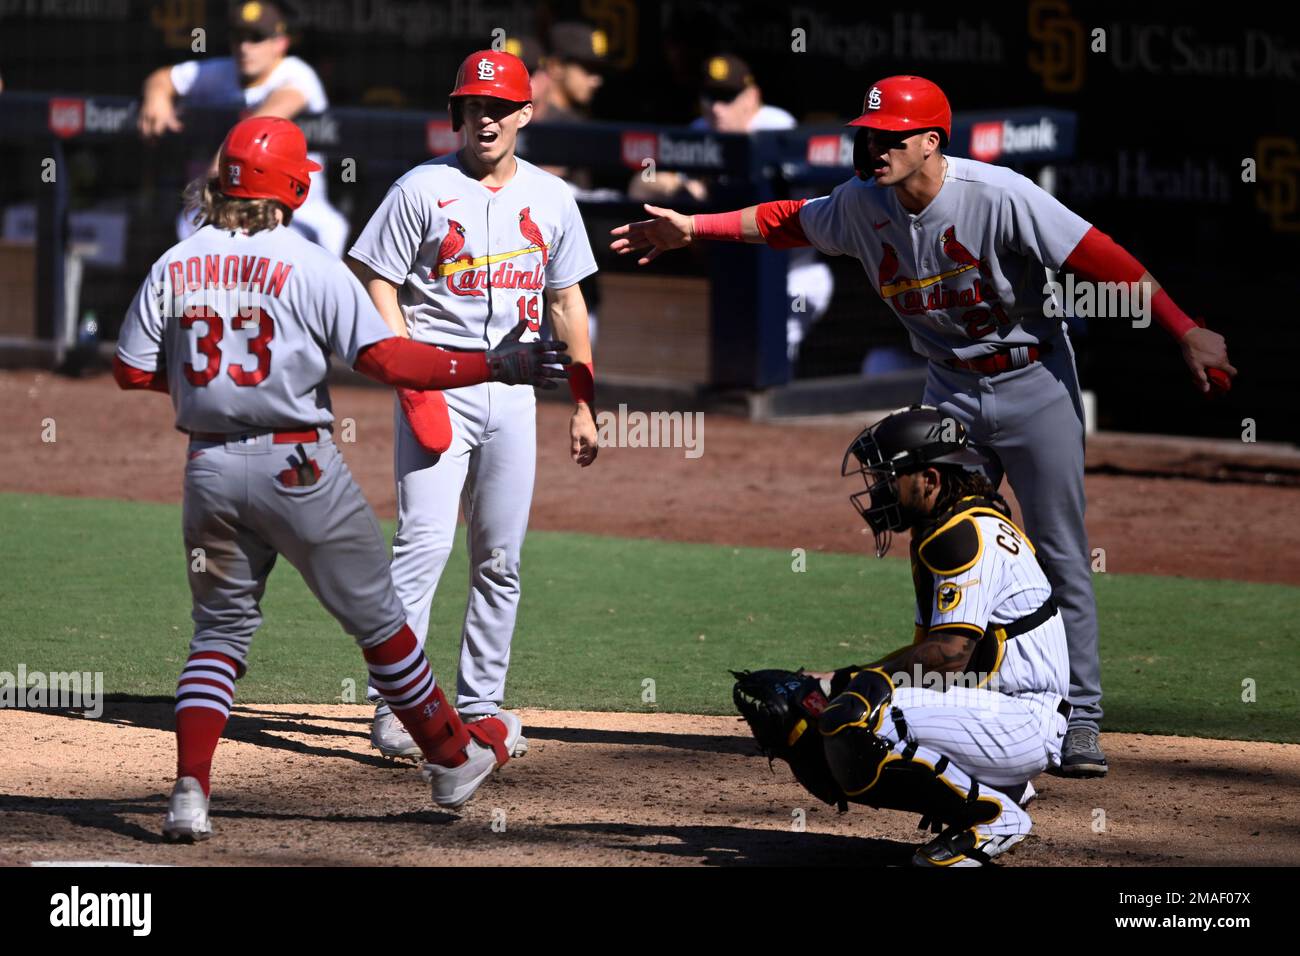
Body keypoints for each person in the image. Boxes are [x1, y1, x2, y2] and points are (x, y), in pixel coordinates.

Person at [611, 75, 1238, 777]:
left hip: (1034, 383)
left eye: (890, 137)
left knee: (1060, 551)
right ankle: (946, 703)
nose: (873, 147)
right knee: (934, 534)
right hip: (951, 386)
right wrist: (694, 228)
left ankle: (1079, 716)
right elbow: (790, 218)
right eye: (868, 135)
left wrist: (1183, 328)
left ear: (932, 143)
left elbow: (1097, 254)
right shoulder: (860, 205)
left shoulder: (998, 195)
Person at [112, 116, 569, 840]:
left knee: (219, 635)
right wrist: (495, 365)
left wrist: (215, 390)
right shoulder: (309, 262)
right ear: (294, 186)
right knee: (381, 621)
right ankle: (451, 759)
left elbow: (132, 369)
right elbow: (391, 361)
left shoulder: (175, 260)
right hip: (298, 466)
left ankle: (190, 794)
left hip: (208, 468)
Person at [347, 50, 599, 759]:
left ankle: (481, 703)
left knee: (500, 557)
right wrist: (407, 369)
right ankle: (400, 706)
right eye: (472, 107)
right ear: (457, 114)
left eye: (498, 107)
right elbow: (374, 277)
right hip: (439, 387)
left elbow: (567, 300)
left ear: (525, 113)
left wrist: (583, 403)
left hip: (515, 396)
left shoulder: (552, 198)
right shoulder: (421, 189)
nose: (484, 118)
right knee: (423, 545)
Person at [804, 404, 1071, 866]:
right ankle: (993, 788)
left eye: (889, 477)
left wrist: (858, 681)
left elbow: (950, 655)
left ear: (928, 478)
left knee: (860, 718)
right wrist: (844, 679)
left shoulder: (961, 535)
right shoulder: (948, 526)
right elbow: (938, 661)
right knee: (833, 704)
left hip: (1022, 721)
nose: (879, 490)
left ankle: (995, 815)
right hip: (1003, 711)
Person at [138, 0, 350, 257]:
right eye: (239, 37)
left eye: (256, 37)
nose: (245, 47)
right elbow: (162, 78)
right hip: (230, 203)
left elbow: (265, 118)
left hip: (298, 211)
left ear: (280, 43)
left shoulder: (297, 72)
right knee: (188, 229)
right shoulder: (222, 70)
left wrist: (222, 163)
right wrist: (157, 96)